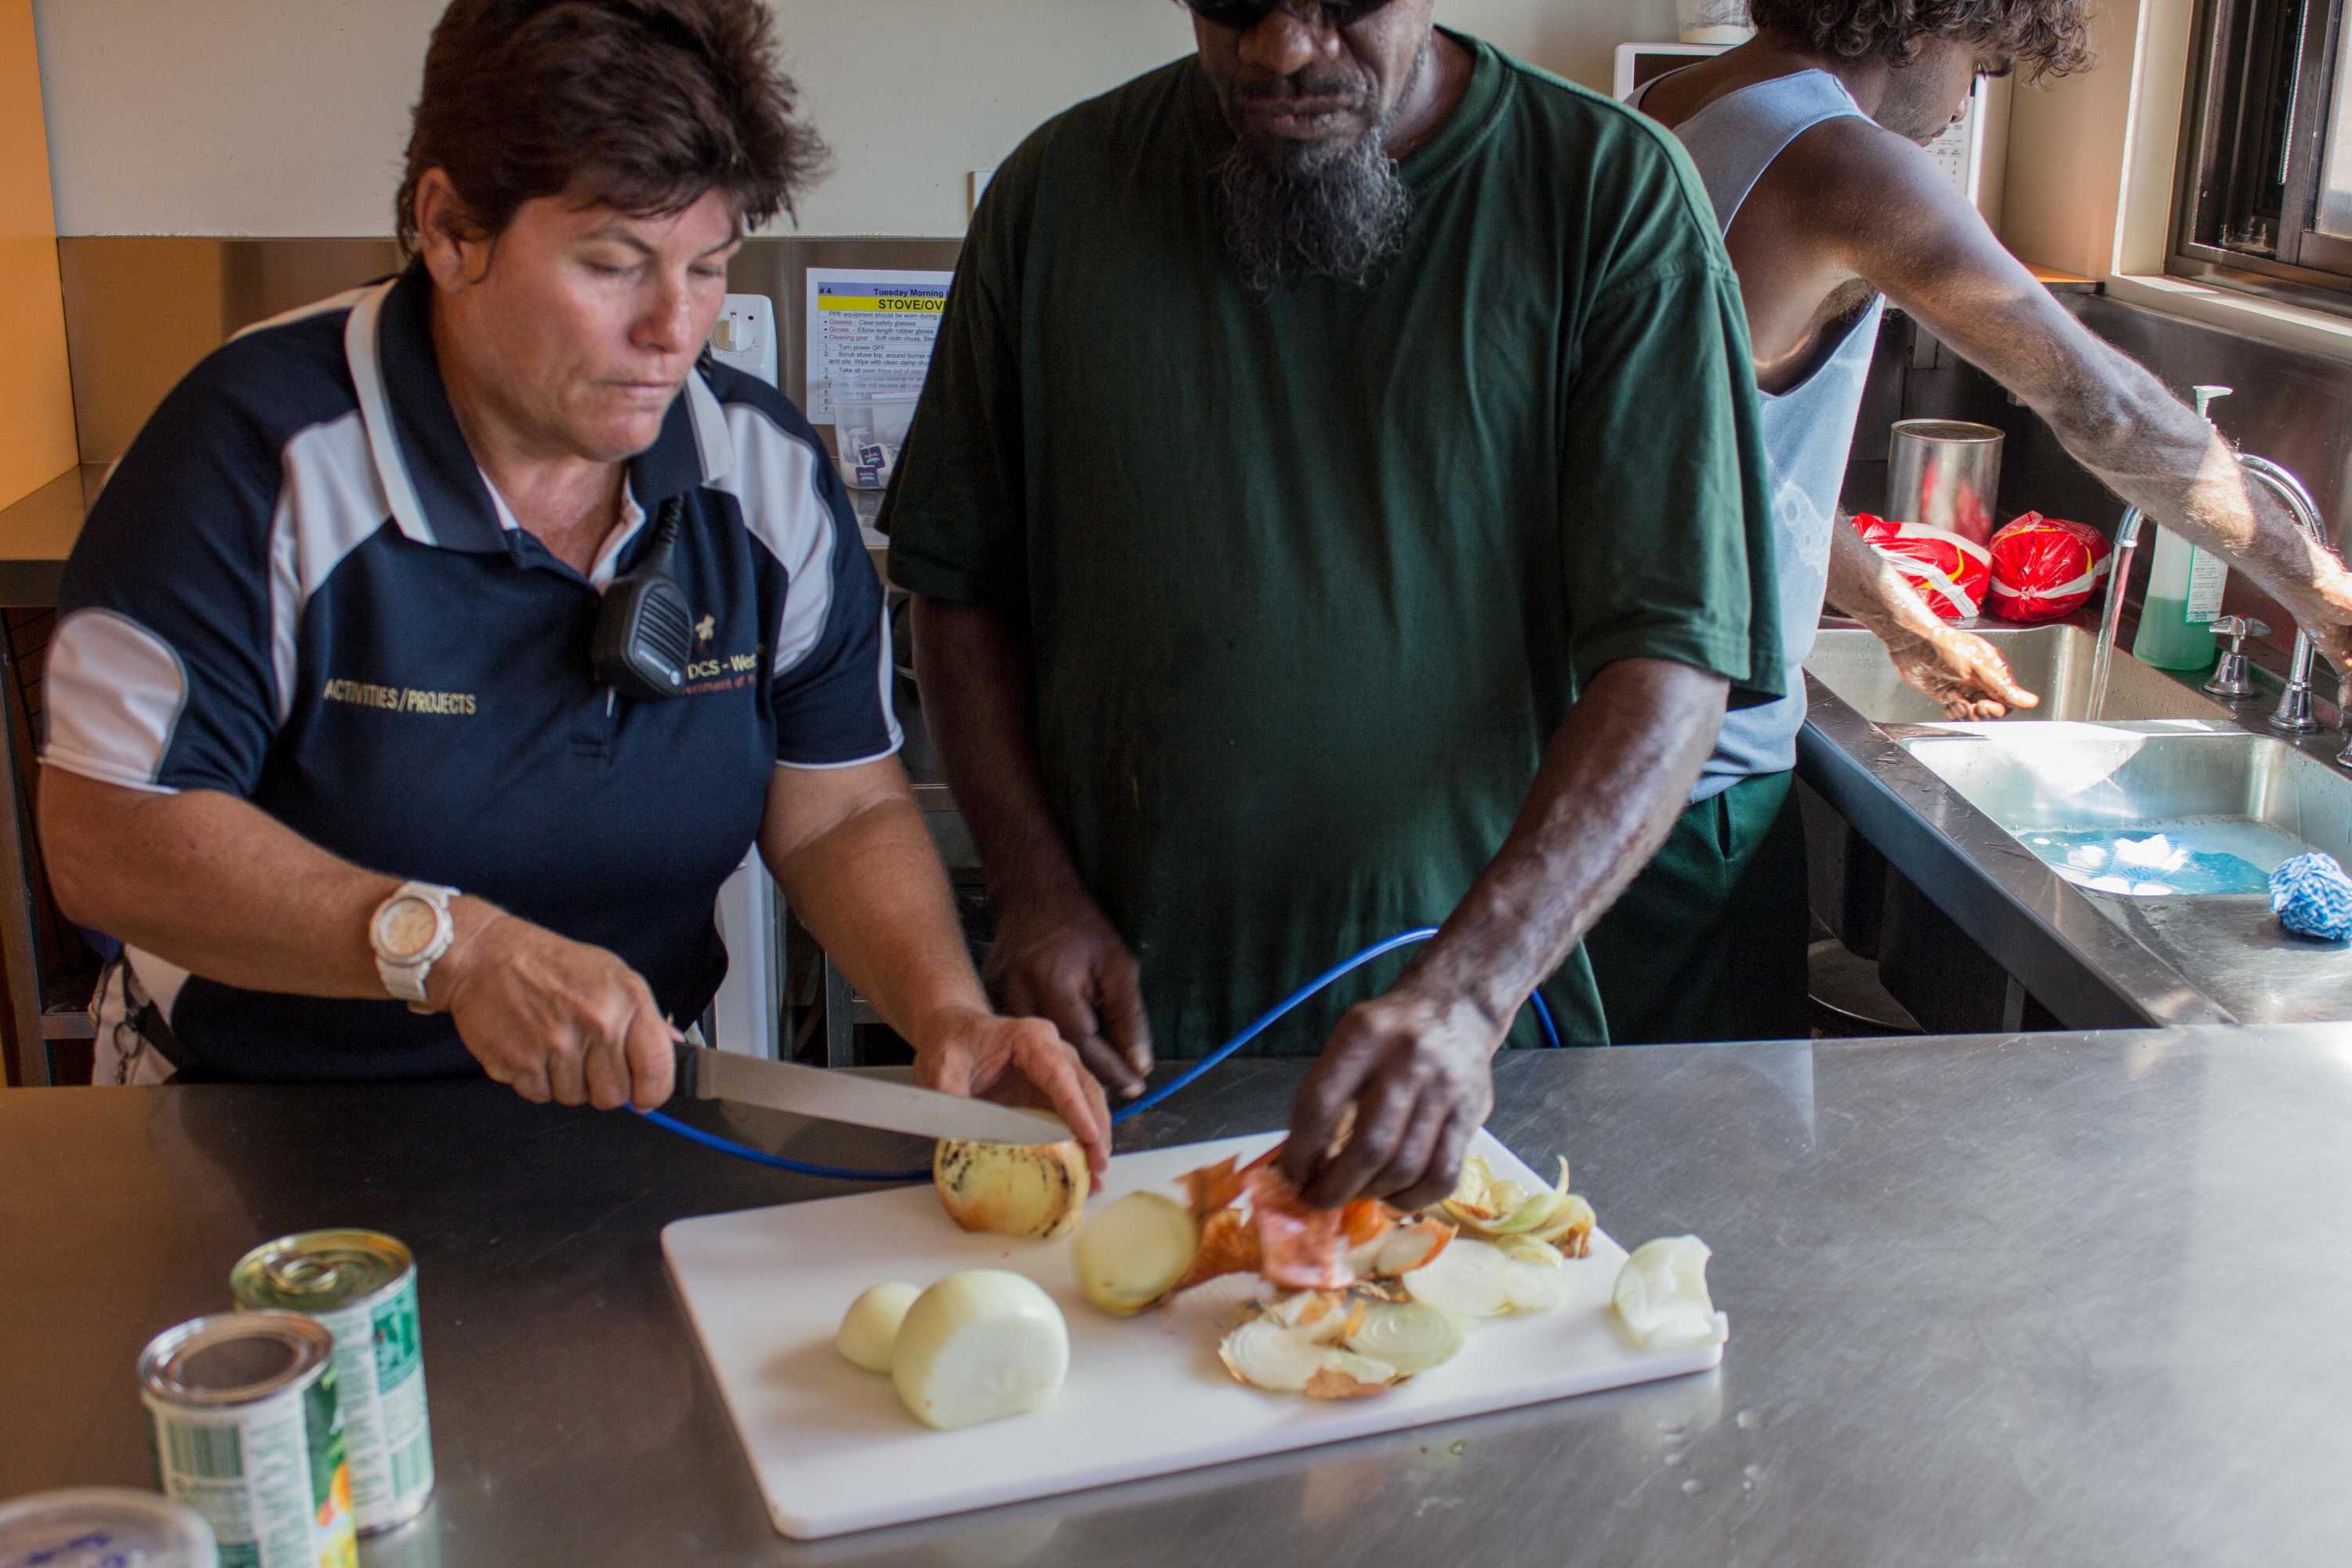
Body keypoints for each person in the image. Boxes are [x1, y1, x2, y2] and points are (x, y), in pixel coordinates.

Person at [35, 0, 1112, 1176]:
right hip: (253, 1121)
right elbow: (107, 835)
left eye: (708, 267)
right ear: (449, 230)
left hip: (628, 1116)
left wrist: (945, 1013)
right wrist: (453, 949)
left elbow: (841, 806)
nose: (673, 329)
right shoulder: (250, 458)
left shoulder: (757, 477)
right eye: (614, 265)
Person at [884, 0, 1786, 1209]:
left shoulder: (1606, 195)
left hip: (1461, 1057)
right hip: (1111, 1048)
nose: (1281, 52)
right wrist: (1033, 890)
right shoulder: (1058, 195)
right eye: (1232, 8)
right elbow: (959, 587)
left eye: (1342, 5)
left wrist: (1469, 992)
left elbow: (1674, 657)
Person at [1591, 0, 2352, 1045]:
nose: (1959, 104)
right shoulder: (1844, 161)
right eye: (1980, 65)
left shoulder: (1664, 111)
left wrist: (1897, 612)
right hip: (1688, 783)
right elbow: (2108, 409)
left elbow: (1719, 461)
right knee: (1711, 1164)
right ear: (1918, 21)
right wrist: (2324, 592)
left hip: (1587, 748)